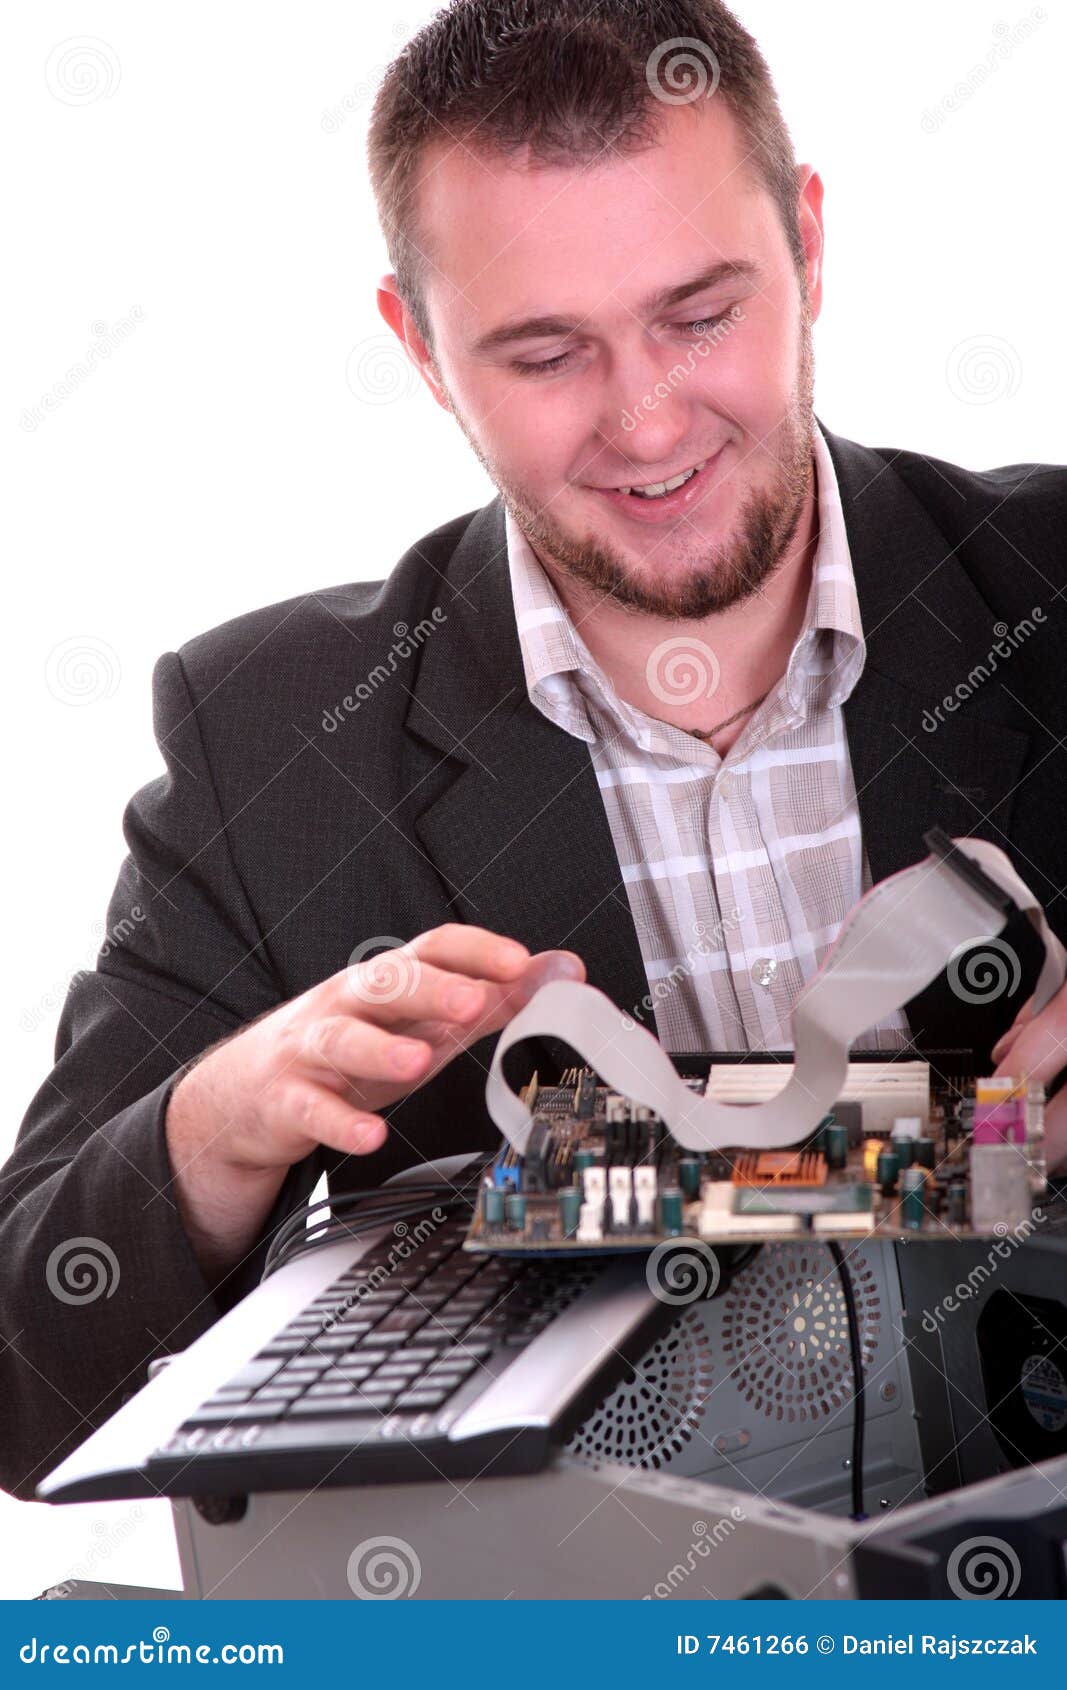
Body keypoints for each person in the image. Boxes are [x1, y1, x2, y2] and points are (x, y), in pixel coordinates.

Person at [3, 0, 1065, 1505]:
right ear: (424, 351)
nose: (649, 424)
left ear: (811, 246)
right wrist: (215, 1129)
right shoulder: (272, 747)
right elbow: (23, 1386)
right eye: (548, 352)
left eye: (701, 315)